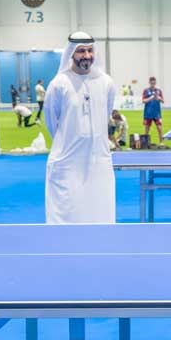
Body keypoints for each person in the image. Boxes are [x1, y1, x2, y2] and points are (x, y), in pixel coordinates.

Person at [43, 31, 117, 223]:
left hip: (98, 160)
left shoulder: (106, 83)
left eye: (90, 50)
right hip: (67, 161)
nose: (87, 56)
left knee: (100, 213)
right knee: (67, 215)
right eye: (81, 51)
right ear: (71, 54)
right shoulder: (59, 84)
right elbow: (52, 121)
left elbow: (106, 114)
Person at [141, 76, 165, 145]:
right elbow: (143, 101)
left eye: (154, 83)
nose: (153, 84)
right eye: (151, 83)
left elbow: (163, 101)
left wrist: (159, 98)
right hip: (148, 113)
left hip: (157, 113)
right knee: (147, 130)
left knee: (159, 128)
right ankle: (145, 143)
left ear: (155, 83)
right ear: (149, 83)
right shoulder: (146, 90)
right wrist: (150, 98)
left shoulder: (159, 91)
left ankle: (161, 143)